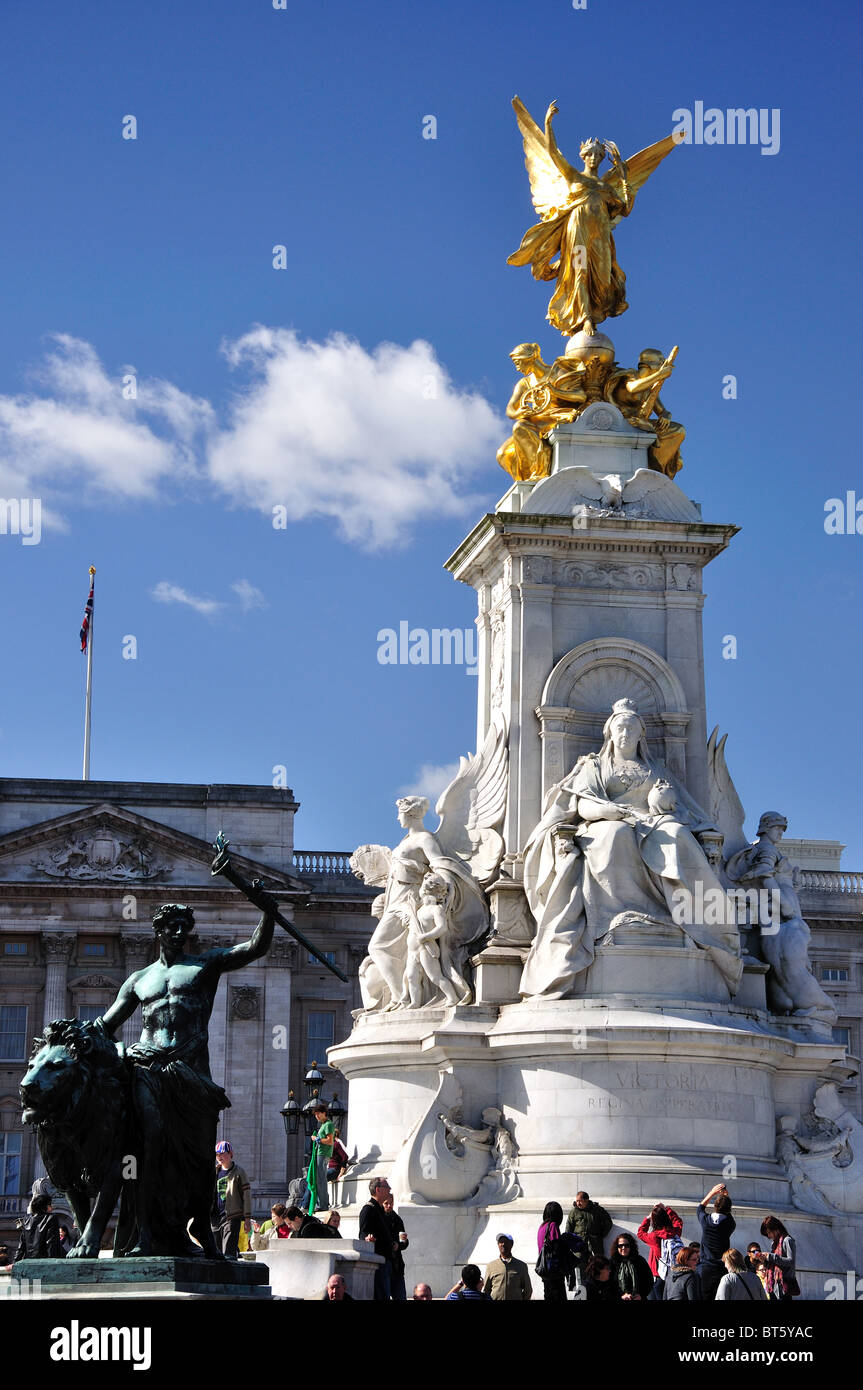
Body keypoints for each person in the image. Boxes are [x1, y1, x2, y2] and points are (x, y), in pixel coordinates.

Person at [521, 699, 741, 1000]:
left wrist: (660, 802)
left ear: (641, 734)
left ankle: (695, 923)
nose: (625, 733)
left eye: (631, 728)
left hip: (651, 822)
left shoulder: (654, 768)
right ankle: (613, 922)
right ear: (610, 733)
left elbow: (677, 808)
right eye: (620, 728)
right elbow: (582, 803)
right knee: (615, 836)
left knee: (677, 834)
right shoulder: (594, 766)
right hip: (605, 823)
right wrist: (605, 813)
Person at [211, 1141, 251, 1260]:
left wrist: (247, 1218)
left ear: (231, 1154)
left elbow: (246, 1195)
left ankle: (228, 1275)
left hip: (232, 1216)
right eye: (217, 1155)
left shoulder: (239, 1172)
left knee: (228, 1250)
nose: (220, 1157)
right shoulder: (214, 1172)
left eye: (223, 1154)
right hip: (215, 1217)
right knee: (215, 1251)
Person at [637, 1202, 684, 1300]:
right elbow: (678, 1222)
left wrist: (648, 1218)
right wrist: (667, 1209)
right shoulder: (674, 1232)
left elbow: (640, 1233)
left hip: (657, 1276)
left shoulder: (654, 1237)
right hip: (672, 1276)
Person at [696, 1183, 736, 1300]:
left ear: (715, 1206)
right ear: (728, 1209)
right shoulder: (729, 1224)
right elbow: (729, 1216)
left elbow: (700, 1208)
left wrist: (712, 1192)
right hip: (721, 1268)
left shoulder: (706, 1221)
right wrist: (726, 1198)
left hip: (705, 1268)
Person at [359, 1176, 395, 1300]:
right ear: (378, 1190)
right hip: (378, 1262)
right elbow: (363, 1234)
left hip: (386, 1261)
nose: (390, 1189)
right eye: (387, 1187)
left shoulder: (380, 1210)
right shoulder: (368, 1209)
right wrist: (368, 1239)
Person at [536, 1201, 578, 1303]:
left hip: (545, 1270)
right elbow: (556, 1246)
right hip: (554, 1271)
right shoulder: (553, 1225)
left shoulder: (542, 1227)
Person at [759, 1217, 799, 1300]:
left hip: (784, 1286)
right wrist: (765, 1261)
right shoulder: (774, 1243)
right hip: (773, 1286)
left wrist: (770, 1256)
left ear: (776, 1229)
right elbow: (775, 1264)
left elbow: (791, 1261)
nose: (769, 1236)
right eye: (767, 1234)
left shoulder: (787, 1240)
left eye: (769, 1232)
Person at [485, 1232, 533, 1301]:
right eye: (501, 1242)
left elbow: (528, 1290)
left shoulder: (521, 1266)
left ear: (511, 1245)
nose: (503, 1244)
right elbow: (486, 1290)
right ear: (498, 1245)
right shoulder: (491, 1266)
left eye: (506, 1242)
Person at [13, 1193, 61, 1261]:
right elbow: (51, 1244)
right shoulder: (51, 1218)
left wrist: (16, 1261)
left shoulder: (26, 1220)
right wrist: (53, 1263)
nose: (52, 1207)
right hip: (44, 1262)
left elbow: (21, 1246)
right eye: (50, 1204)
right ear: (44, 1206)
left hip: (28, 1262)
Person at [565, 1190, 612, 1259]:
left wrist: (600, 1235)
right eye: (577, 1201)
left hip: (595, 1247)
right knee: (580, 1267)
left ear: (586, 1200)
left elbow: (608, 1222)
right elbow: (569, 1228)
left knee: (596, 1266)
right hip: (579, 1247)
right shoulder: (574, 1212)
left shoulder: (597, 1210)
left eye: (580, 1201)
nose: (578, 1203)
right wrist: (571, 1242)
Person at [306, 1103, 334, 1215]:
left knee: (321, 1179)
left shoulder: (328, 1124)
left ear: (324, 1113)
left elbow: (330, 1141)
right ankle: (320, 1204)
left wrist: (317, 1139)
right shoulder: (323, 1125)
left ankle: (323, 1205)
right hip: (319, 1153)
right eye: (315, 1115)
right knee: (318, 1179)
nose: (316, 1116)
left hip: (323, 1154)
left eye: (318, 1114)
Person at [610, 1232, 653, 1300]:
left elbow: (649, 1280)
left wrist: (641, 1295)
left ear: (631, 1246)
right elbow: (609, 1284)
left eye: (626, 1245)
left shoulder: (639, 1260)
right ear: (617, 1247)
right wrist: (621, 1296)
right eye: (620, 1246)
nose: (623, 1248)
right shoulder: (612, 1262)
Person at [382, 1193, 409, 1301]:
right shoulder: (379, 1218)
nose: (389, 1206)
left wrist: (400, 1244)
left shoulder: (397, 1219)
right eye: (386, 1203)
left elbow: (404, 1241)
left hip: (397, 1266)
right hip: (384, 1265)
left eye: (391, 1203)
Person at [328, 1128, 350, 1207]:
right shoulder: (330, 1145)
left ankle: (322, 1203)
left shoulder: (336, 1144)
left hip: (334, 1169)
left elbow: (345, 1156)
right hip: (330, 1169)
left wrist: (342, 1170)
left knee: (318, 1178)